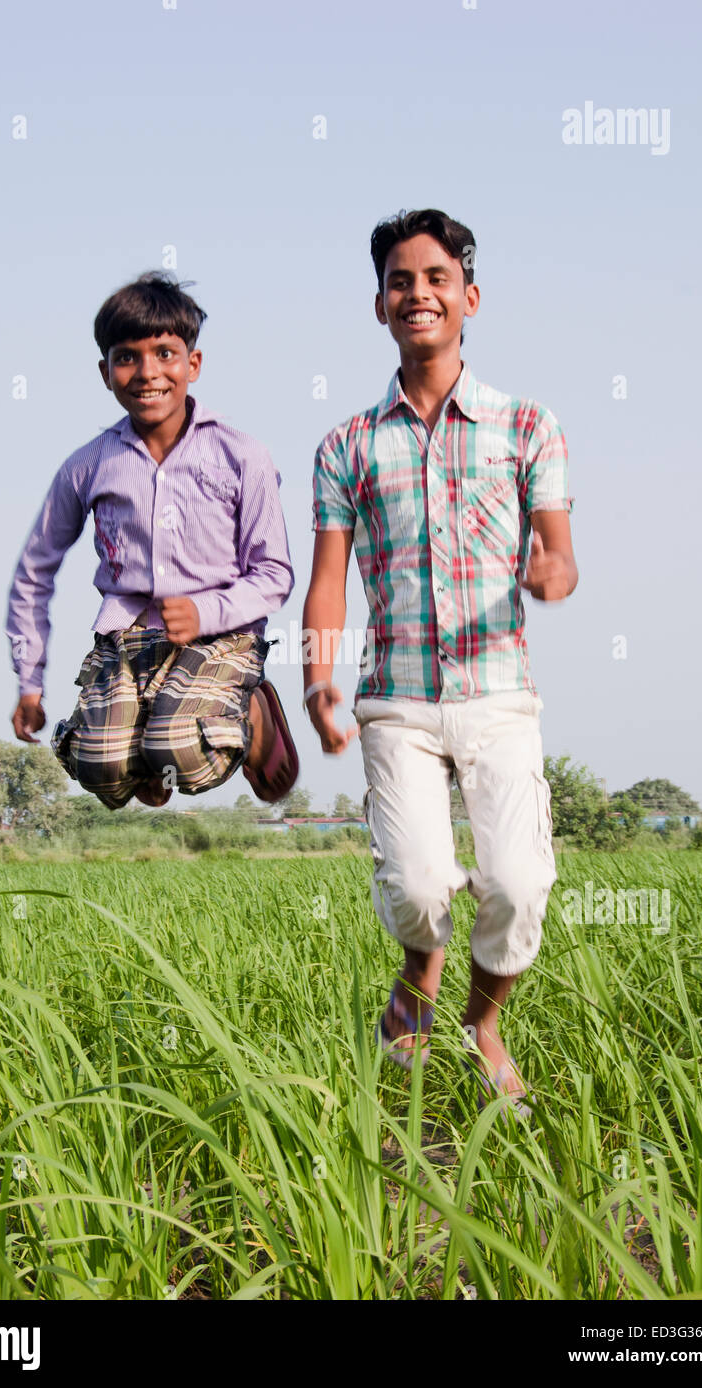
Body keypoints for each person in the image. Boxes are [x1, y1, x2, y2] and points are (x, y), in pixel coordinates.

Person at [302, 209, 577, 1118]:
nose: (417, 292)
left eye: (435, 278)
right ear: (379, 305)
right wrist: (318, 673)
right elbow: (331, 577)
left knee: (519, 883)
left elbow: (561, 557)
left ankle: (482, 1022)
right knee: (420, 886)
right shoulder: (346, 446)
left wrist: (550, 570)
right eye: (399, 281)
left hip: (498, 693)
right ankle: (416, 974)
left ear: (470, 296)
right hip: (398, 702)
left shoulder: (527, 426)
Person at [6, 271, 299, 807]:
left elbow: (274, 573)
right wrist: (30, 681)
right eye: (127, 357)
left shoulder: (241, 456)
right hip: (128, 638)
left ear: (193, 363)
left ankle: (252, 715)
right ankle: (142, 754)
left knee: (182, 748)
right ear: (105, 372)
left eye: (165, 353)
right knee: (99, 767)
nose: (147, 373)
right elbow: (35, 571)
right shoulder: (89, 466)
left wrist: (208, 611)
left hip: (220, 636)